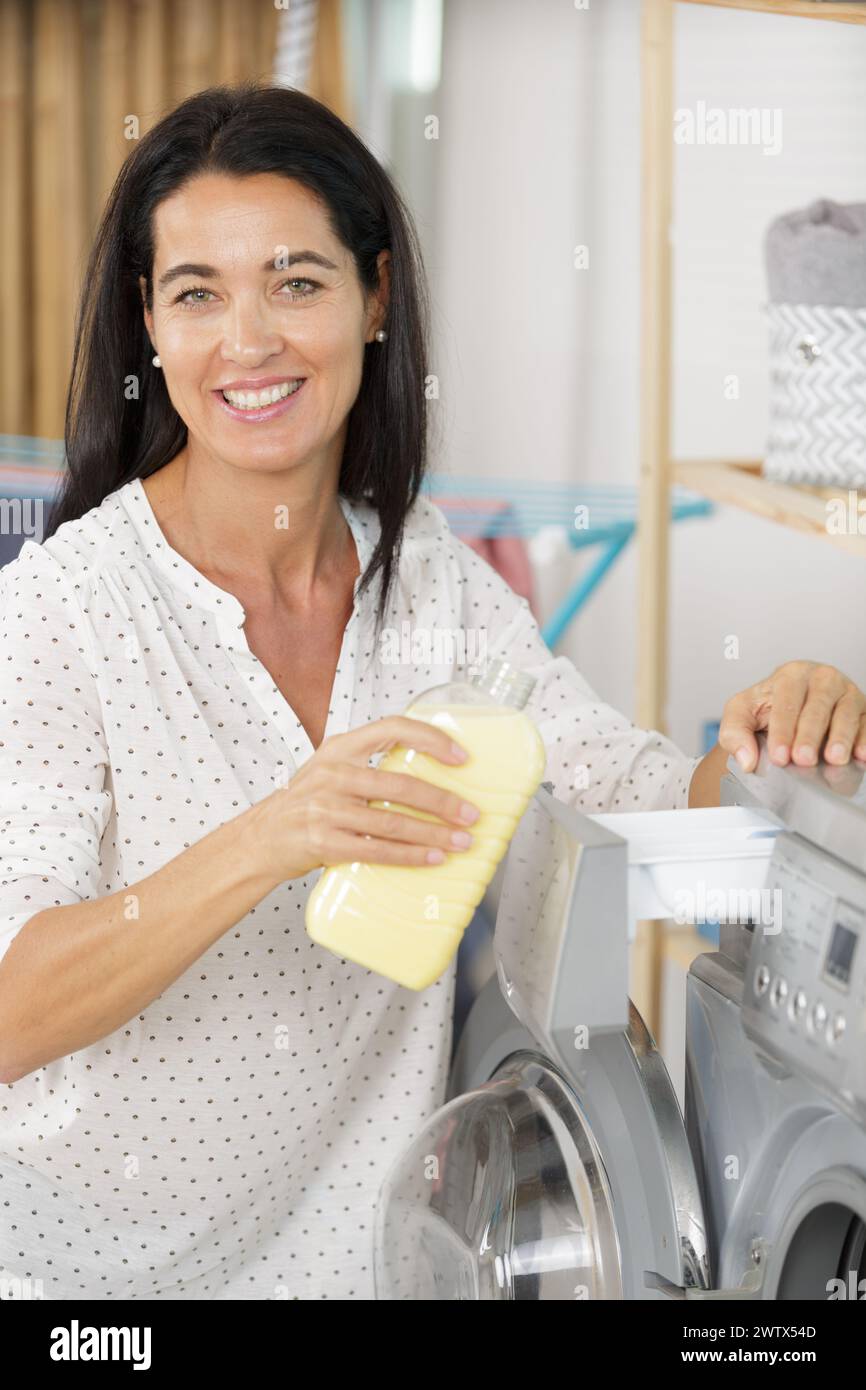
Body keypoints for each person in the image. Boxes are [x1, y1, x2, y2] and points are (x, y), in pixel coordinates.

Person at [0, 83, 863, 1303]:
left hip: (353, 1272)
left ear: (374, 297)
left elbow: (643, 802)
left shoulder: (435, 590)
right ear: (149, 323)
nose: (246, 341)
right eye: (197, 292)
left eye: (296, 281)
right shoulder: (59, 612)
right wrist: (270, 838)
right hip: (77, 1288)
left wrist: (789, 730)